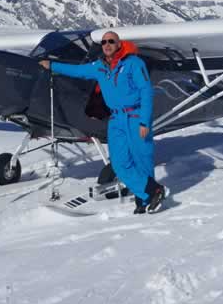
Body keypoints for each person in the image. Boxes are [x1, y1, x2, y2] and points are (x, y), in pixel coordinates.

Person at [39, 31, 167, 214]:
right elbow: (77, 71)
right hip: (116, 119)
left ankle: (145, 198)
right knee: (119, 163)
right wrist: (52, 65)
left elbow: (146, 91)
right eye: (104, 42)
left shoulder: (134, 63)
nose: (107, 44)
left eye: (111, 41)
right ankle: (152, 191)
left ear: (119, 44)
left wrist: (144, 122)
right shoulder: (99, 66)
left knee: (142, 159)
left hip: (135, 116)